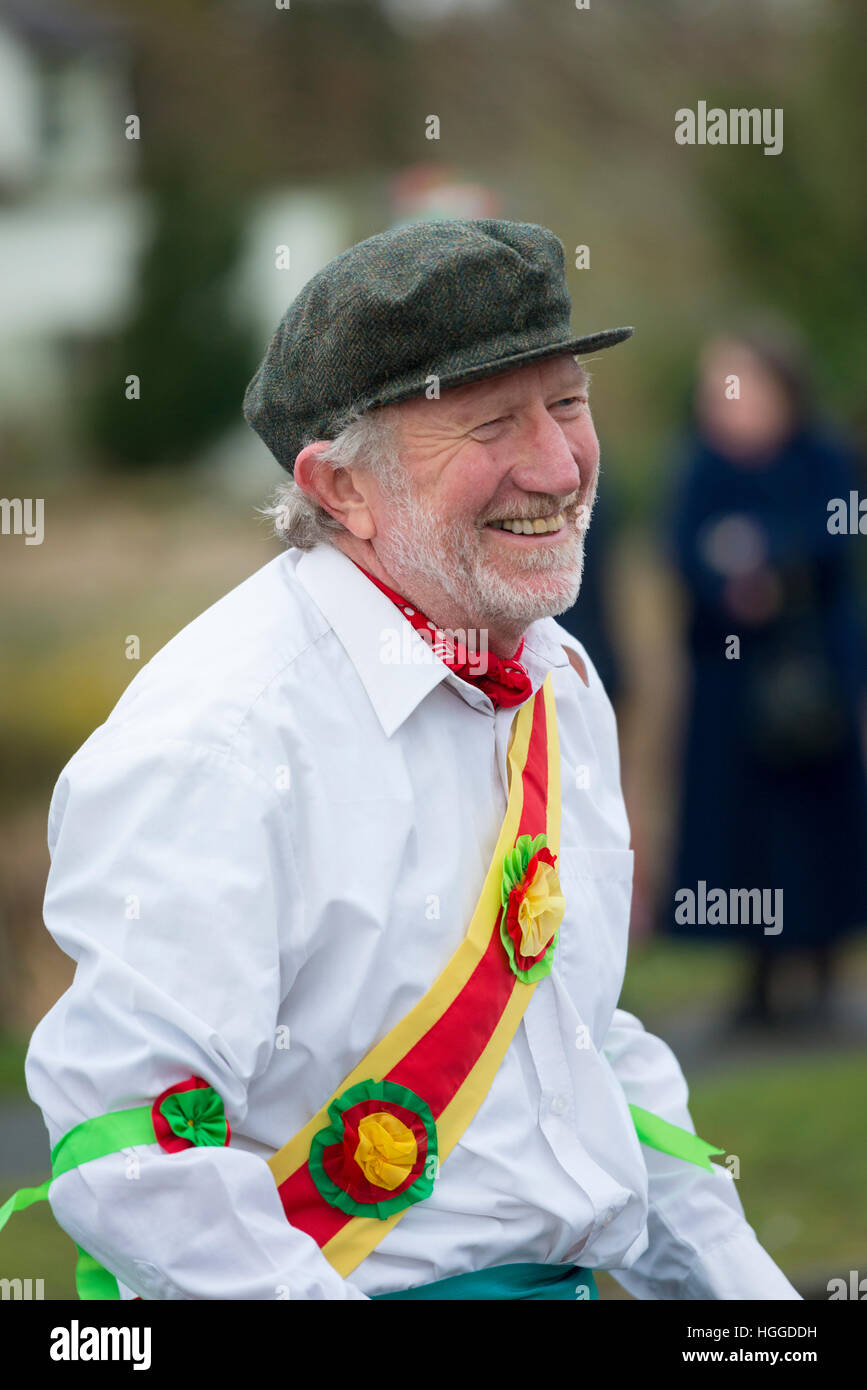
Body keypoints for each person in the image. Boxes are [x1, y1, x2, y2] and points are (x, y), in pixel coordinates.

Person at [14, 221, 801, 1299]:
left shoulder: (556, 672)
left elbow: (579, 1040)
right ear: (340, 488)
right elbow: (133, 1153)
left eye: (568, 402)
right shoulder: (217, 737)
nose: (562, 464)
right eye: (492, 424)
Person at [663, 323, 867, 1027]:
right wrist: (727, 581)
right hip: (730, 683)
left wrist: (773, 563)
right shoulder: (700, 467)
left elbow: (838, 538)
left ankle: (819, 967)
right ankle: (755, 972)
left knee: (813, 824)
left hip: (808, 681)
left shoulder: (820, 458)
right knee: (741, 831)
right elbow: (682, 553)